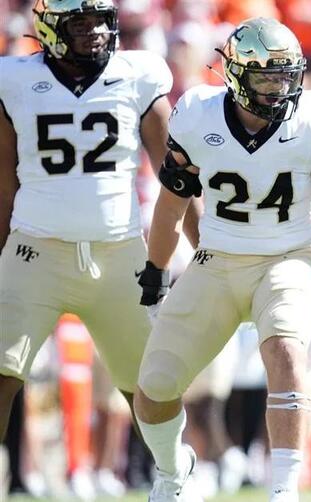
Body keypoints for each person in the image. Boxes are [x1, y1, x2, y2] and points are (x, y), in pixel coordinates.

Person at [132, 17, 311, 502]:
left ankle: (283, 490)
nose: (279, 90)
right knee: (154, 389)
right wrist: (154, 273)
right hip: (216, 260)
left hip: (285, 258)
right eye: (266, 78)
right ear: (235, 75)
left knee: (286, 352)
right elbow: (172, 202)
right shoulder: (198, 115)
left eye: (286, 77)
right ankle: (172, 471)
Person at [0, 0, 189, 452]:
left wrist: (204, 252)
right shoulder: (16, 81)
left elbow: (178, 178)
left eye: (102, 20)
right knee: (1, 375)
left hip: (119, 252)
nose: (96, 32)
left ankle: (173, 478)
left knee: (150, 385)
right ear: (48, 29)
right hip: (35, 251)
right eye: (80, 23)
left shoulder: (139, 75)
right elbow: (4, 187)